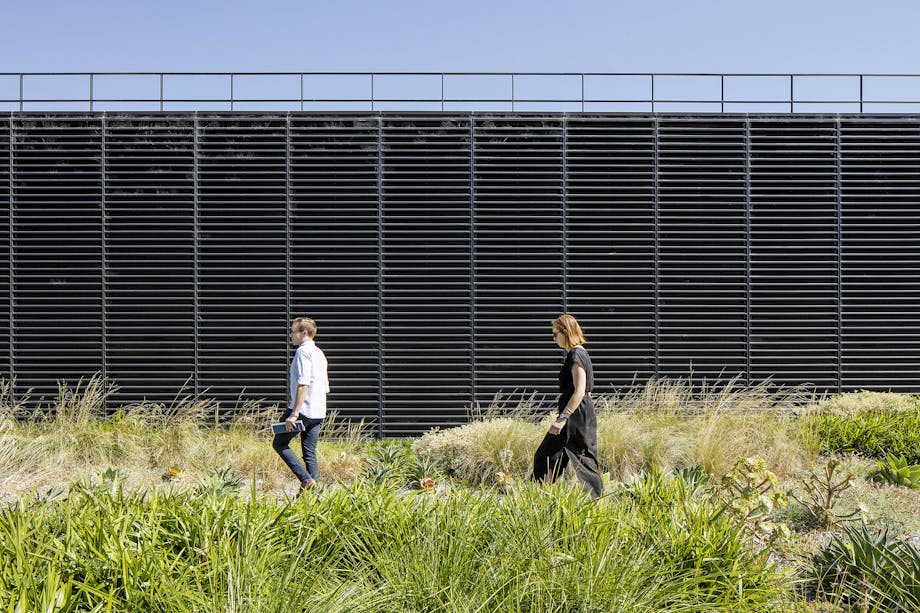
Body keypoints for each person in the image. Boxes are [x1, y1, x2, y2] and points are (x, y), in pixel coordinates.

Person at [533, 313, 603, 498]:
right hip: (580, 413)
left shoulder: (576, 354)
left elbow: (580, 390)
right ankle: (543, 495)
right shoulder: (581, 352)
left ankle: (594, 501)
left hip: (575, 416)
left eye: (555, 334)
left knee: (555, 456)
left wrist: (563, 418)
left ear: (565, 332)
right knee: (562, 456)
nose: (554, 338)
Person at [272, 316, 329, 495]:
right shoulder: (319, 353)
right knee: (309, 453)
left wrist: (294, 413)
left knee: (279, 444)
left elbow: (303, 383)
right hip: (318, 411)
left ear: (304, 333)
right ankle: (314, 497)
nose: (291, 335)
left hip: (303, 410)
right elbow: (326, 385)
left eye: (293, 331)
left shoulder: (303, 352)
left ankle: (306, 480)